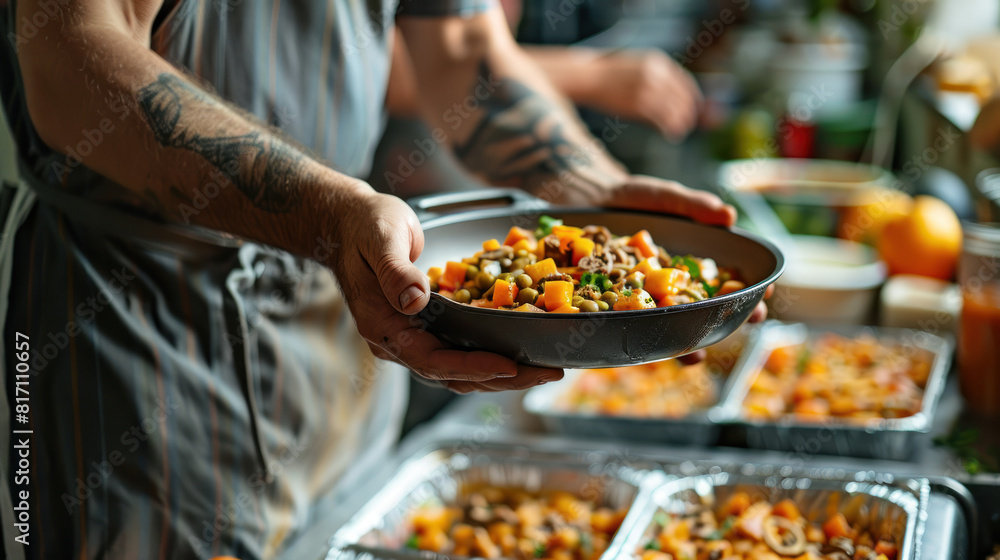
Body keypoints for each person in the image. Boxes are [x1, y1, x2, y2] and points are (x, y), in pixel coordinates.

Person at [0, 1, 764, 559]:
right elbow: (70, 63)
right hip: (147, 344)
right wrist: (330, 215)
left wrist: (588, 187)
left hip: (347, 331)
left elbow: (462, 45)